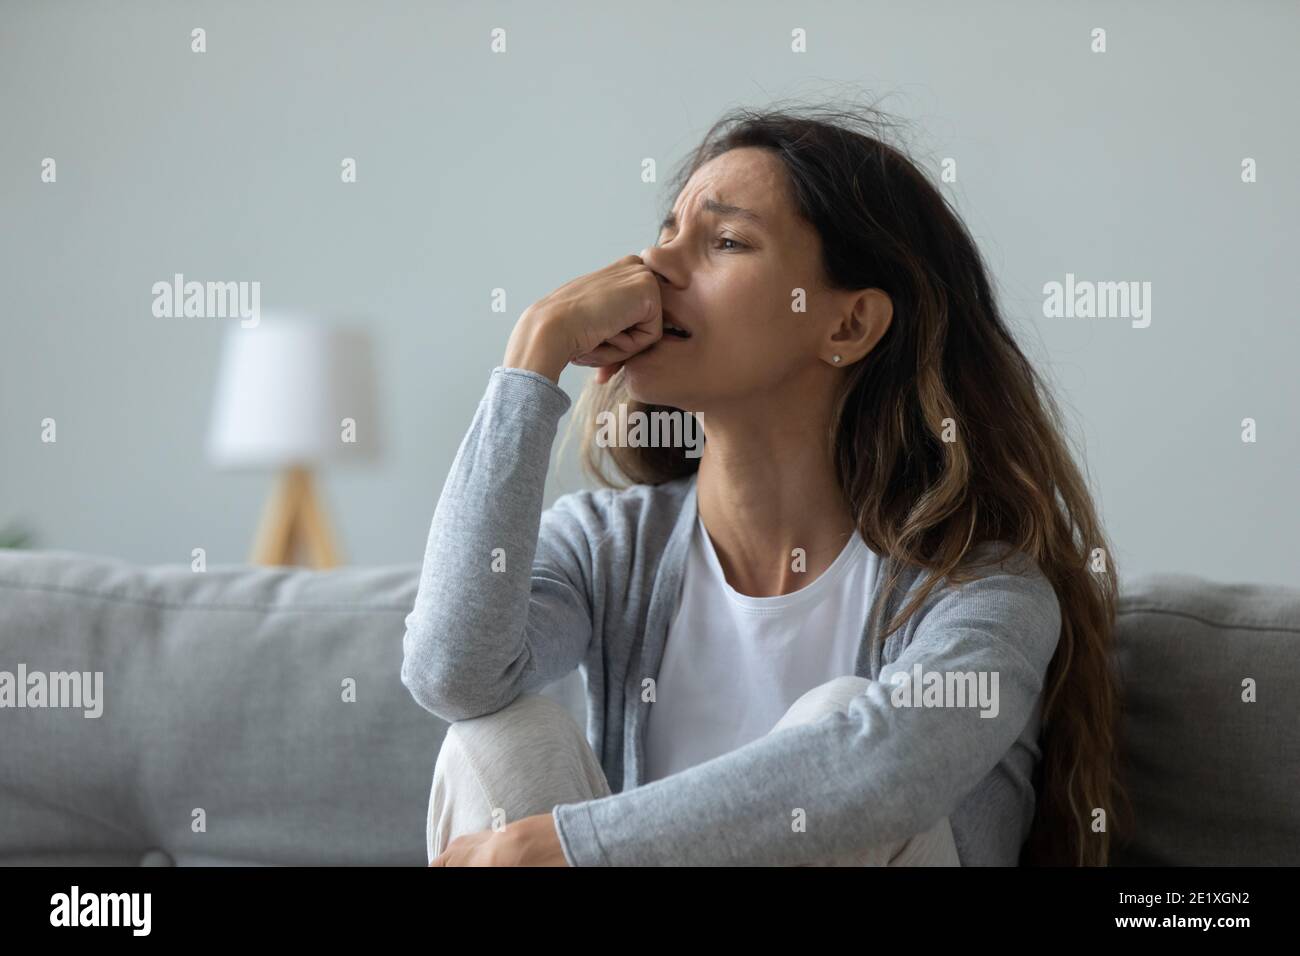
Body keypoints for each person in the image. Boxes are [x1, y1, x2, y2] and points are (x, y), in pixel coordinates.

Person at [402, 104, 1130, 867]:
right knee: (498, 732)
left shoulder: (978, 588)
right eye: (666, 234)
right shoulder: (608, 549)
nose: (654, 271)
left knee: (841, 717)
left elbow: (882, 774)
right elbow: (454, 675)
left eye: (723, 241)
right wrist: (533, 354)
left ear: (847, 326)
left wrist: (573, 848)